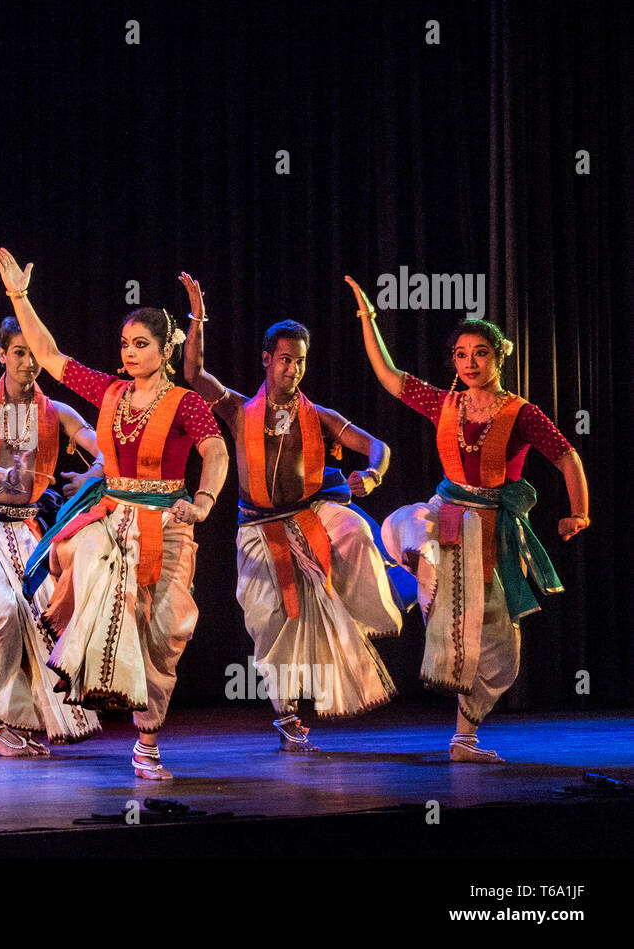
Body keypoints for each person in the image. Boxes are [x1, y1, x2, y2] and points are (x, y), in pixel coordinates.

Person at [0, 247, 228, 780]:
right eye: (125, 344)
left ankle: (146, 741)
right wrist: (18, 297)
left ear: (167, 347)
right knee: (91, 561)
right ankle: (85, 669)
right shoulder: (110, 390)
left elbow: (216, 451)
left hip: (167, 523)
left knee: (165, 632)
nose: (130, 353)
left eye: (141, 344)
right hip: (112, 514)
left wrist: (206, 501)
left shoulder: (187, 402)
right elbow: (50, 356)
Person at [348, 275, 590, 762]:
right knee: (408, 525)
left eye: (480, 353)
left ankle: (464, 737)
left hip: (492, 533)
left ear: (499, 357)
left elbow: (567, 457)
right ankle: (412, 579)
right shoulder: (445, 404)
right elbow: (390, 377)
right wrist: (368, 319)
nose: (470, 362)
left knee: (500, 645)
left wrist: (578, 513)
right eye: (461, 354)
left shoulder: (521, 412)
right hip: (446, 513)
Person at [180, 274, 404, 751]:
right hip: (257, 528)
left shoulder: (318, 416)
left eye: (300, 363)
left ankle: (376, 602)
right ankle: (286, 716)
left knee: (357, 531)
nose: (293, 371)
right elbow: (195, 375)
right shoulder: (239, 410)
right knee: (271, 620)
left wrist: (374, 474)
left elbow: (377, 446)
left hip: (309, 516)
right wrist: (198, 318)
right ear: (267, 360)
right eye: (285, 361)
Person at [0, 317, 105, 755]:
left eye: (35, 354)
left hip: (27, 532)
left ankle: (24, 722)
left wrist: (90, 478)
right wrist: (1, 472)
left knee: (43, 618)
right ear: (2, 355)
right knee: (1, 610)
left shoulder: (58, 413)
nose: (29, 362)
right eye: (19, 352)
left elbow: (108, 453)